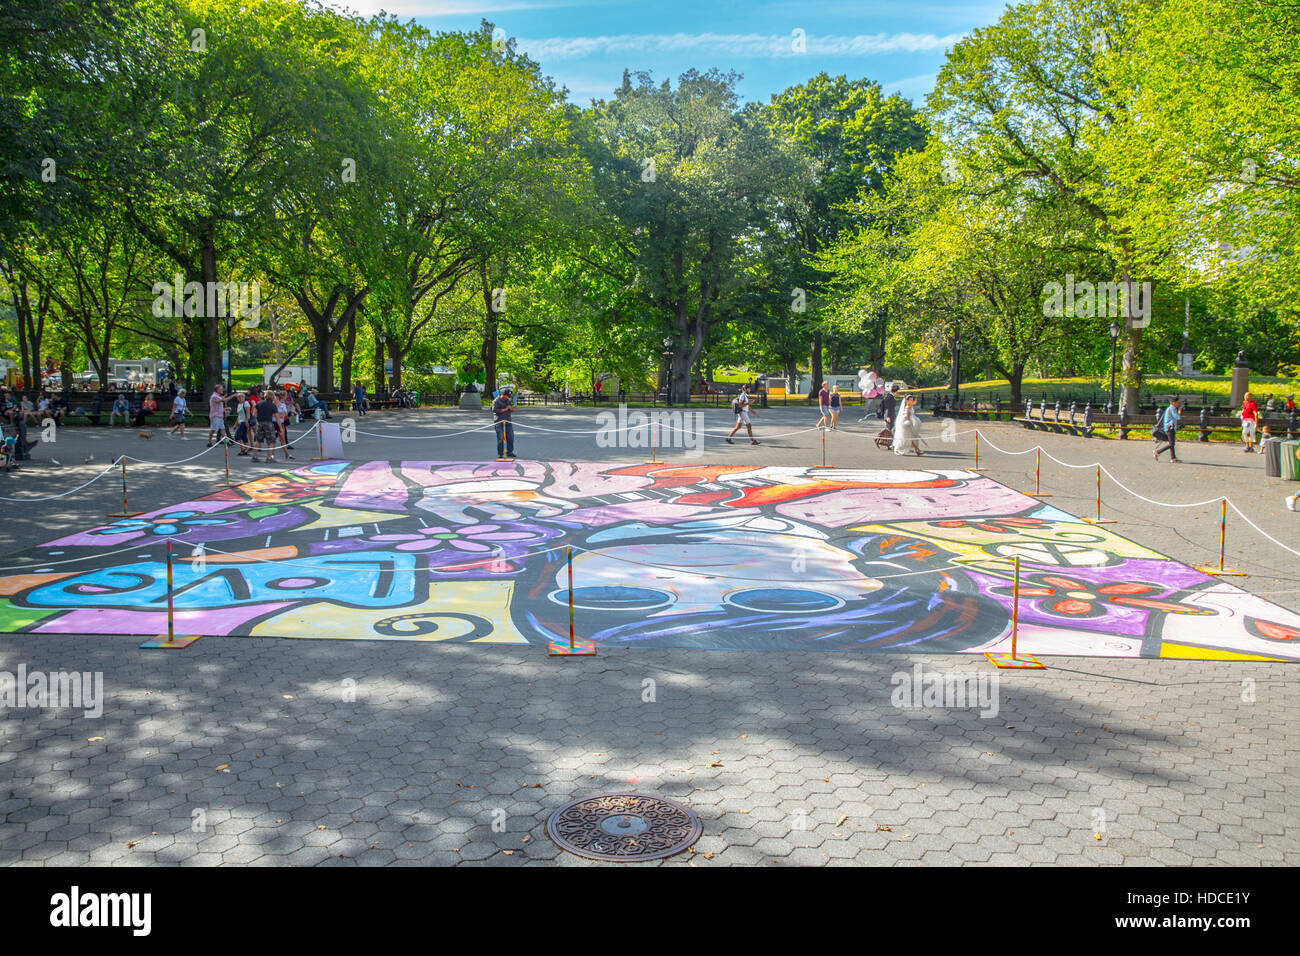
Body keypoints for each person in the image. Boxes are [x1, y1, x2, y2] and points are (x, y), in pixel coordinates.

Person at [250, 388, 279, 463]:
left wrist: (260, 416)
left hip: (260, 423)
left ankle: (254, 456)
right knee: (271, 441)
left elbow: (254, 414)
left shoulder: (259, 403)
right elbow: (277, 417)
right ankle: (269, 457)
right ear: (272, 397)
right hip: (268, 423)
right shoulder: (272, 405)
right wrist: (280, 427)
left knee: (257, 440)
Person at [1153, 395, 1181, 463]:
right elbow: (1177, 417)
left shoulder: (1170, 408)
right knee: (1171, 444)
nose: (1178, 403)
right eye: (1177, 402)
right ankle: (1158, 452)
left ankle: (1173, 458)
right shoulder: (1172, 408)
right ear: (1173, 402)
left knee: (1171, 443)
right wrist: (1179, 412)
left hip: (1168, 427)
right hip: (1170, 428)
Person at [492, 386, 516, 460]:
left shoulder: (508, 400)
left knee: (510, 437)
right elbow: (494, 410)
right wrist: (505, 409)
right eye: (506, 396)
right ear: (502, 394)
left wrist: (511, 408)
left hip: (508, 421)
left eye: (508, 396)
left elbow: (513, 409)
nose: (507, 397)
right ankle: (500, 453)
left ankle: (510, 452)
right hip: (499, 421)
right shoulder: (496, 401)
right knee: (501, 438)